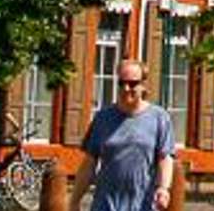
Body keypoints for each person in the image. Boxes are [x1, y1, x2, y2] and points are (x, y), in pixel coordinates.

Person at [70, 60, 175, 211]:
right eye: (121, 83)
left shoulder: (159, 118)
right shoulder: (102, 118)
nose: (126, 88)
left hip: (142, 206)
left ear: (143, 85)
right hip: (105, 205)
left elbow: (165, 158)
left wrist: (164, 188)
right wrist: (74, 201)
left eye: (132, 84)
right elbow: (89, 163)